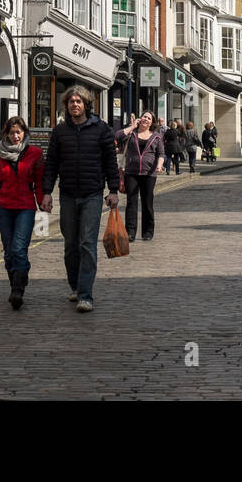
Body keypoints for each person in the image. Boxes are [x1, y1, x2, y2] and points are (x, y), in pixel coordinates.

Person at [41, 85, 120, 313]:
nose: (75, 104)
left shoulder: (102, 130)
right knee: (70, 246)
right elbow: (51, 164)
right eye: (71, 101)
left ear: (86, 104)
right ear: (66, 105)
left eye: (79, 101)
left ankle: (86, 295)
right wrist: (47, 192)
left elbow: (110, 163)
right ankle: (75, 286)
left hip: (92, 195)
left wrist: (113, 190)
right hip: (67, 194)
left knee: (87, 244)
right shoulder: (60, 132)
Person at [0, 116, 45, 309]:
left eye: (18, 132)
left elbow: (39, 182)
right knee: (9, 250)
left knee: (19, 248)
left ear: (24, 133)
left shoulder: (34, 153)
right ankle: (16, 282)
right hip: (3, 206)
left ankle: (17, 290)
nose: (15, 136)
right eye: (12, 133)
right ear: (6, 134)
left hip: (25, 207)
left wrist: (43, 200)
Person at [117, 111, 165, 242]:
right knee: (131, 203)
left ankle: (148, 232)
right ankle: (130, 233)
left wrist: (159, 166)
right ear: (140, 118)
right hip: (131, 173)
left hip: (149, 174)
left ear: (152, 122)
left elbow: (161, 154)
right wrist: (132, 126)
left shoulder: (156, 137)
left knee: (147, 203)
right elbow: (117, 136)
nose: (146, 119)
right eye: (144, 117)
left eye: (149, 118)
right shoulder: (132, 134)